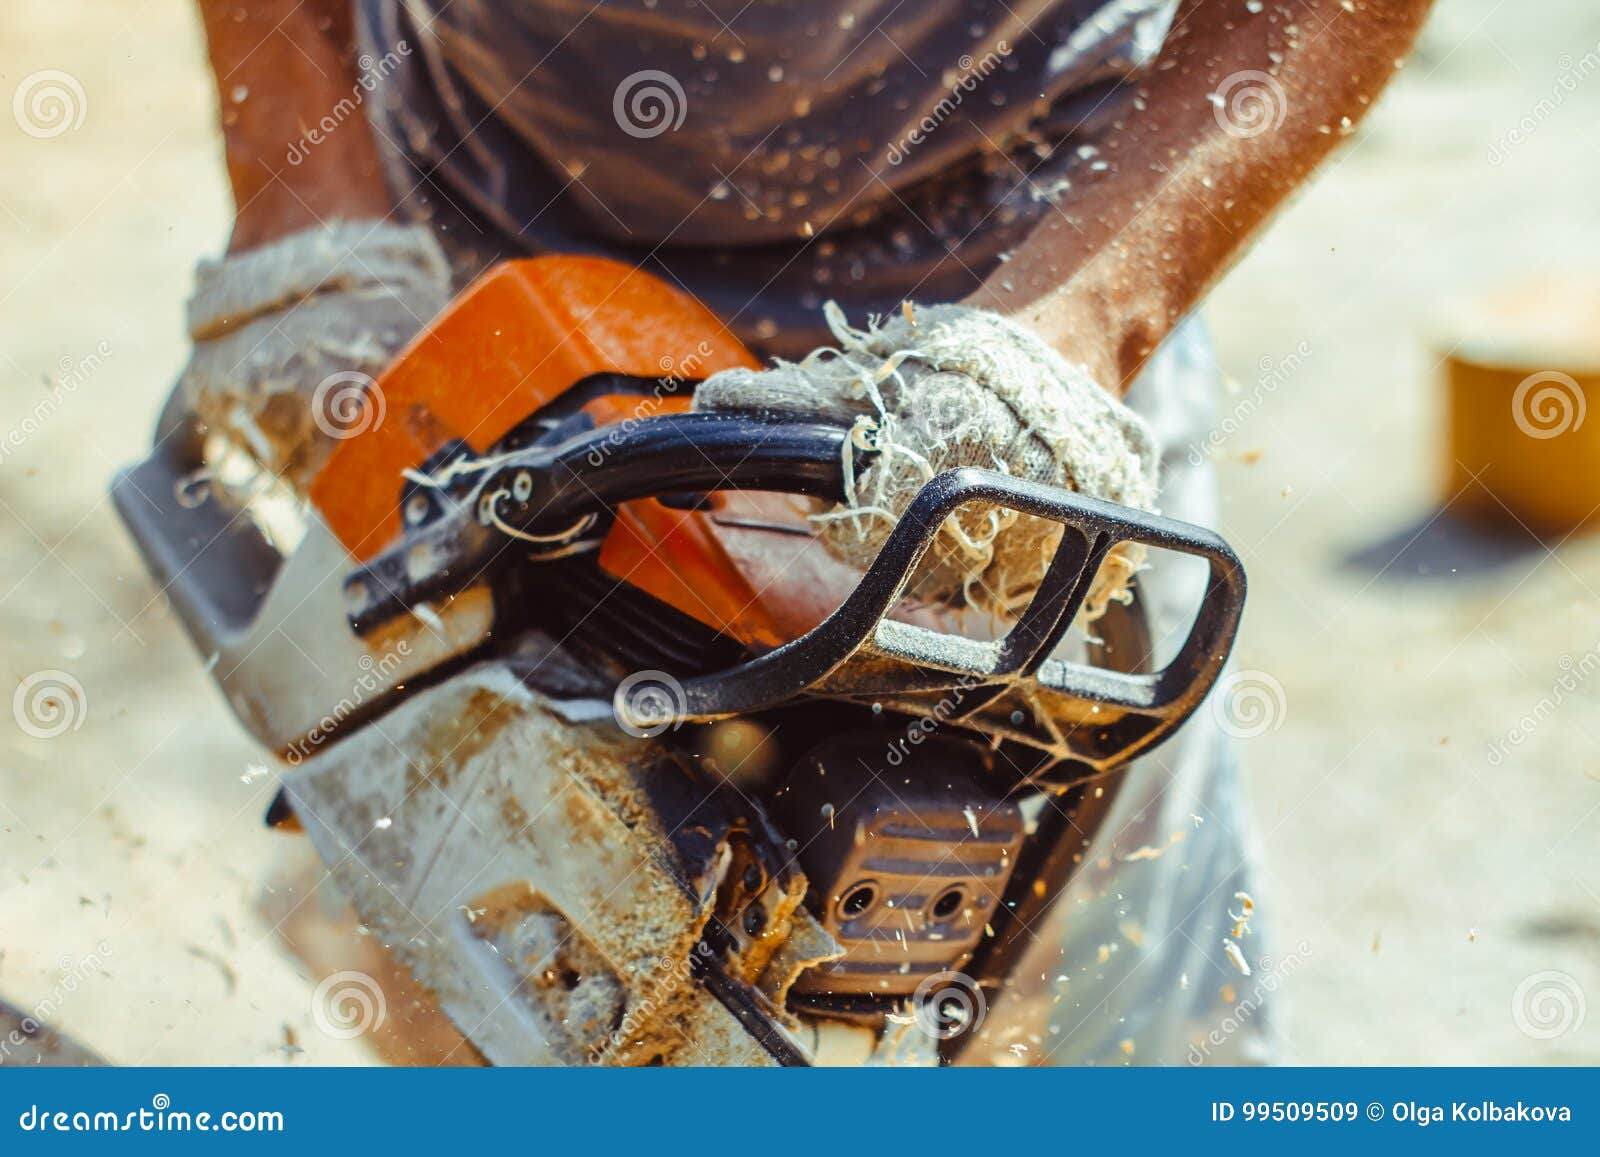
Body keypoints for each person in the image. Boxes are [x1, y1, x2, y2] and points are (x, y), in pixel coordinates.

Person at [184, 0, 1434, 1064]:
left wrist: (1076, 334)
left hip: (1028, 303)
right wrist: (305, 196)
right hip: (487, 285)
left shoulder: (1046, 351)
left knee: (1113, 1022)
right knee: (475, 964)